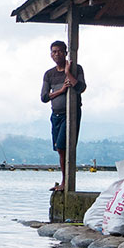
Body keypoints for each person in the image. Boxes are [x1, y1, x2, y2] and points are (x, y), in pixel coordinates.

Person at [41, 40, 86, 191]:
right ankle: (64, 181)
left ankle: (66, 182)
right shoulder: (49, 74)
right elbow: (44, 97)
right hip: (56, 115)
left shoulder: (75, 68)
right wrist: (60, 91)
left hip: (71, 115)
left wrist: (68, 73)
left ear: (66, 52)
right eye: (54, 51)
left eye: (60, 51)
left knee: (64, 146)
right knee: (59, 149)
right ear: (50, 54)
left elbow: (80, 87)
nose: (57, 54)